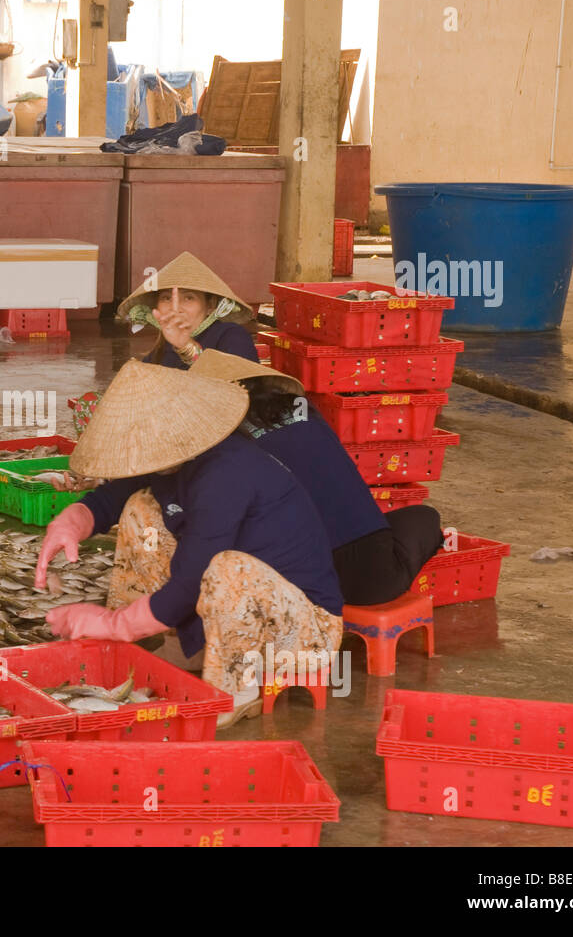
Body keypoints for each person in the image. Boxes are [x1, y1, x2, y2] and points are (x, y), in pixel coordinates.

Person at [34, 358, 343, 726]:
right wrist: (71, 522)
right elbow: (111, 500)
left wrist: (113, 623)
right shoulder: (171, 457)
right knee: (140, 508)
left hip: (300, 629)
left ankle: (237, 688)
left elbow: (191, 579)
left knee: (226, 569)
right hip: (229, 608)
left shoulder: (226, 472)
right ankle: (188, 645)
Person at [192, 350, 445, 605]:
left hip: (301, 583)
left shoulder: (224, 448)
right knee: (425, 517)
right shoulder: (303, 409)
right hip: (370, 578)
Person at [69, 251, 260, 435]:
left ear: (210, 306)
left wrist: (187, 347)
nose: (176, 308)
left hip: (224, 433)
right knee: (91, 405)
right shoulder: (162, 349)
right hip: (172, 432)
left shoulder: (232, 335)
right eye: (166, 298)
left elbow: (236, 393)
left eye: (189, 298)